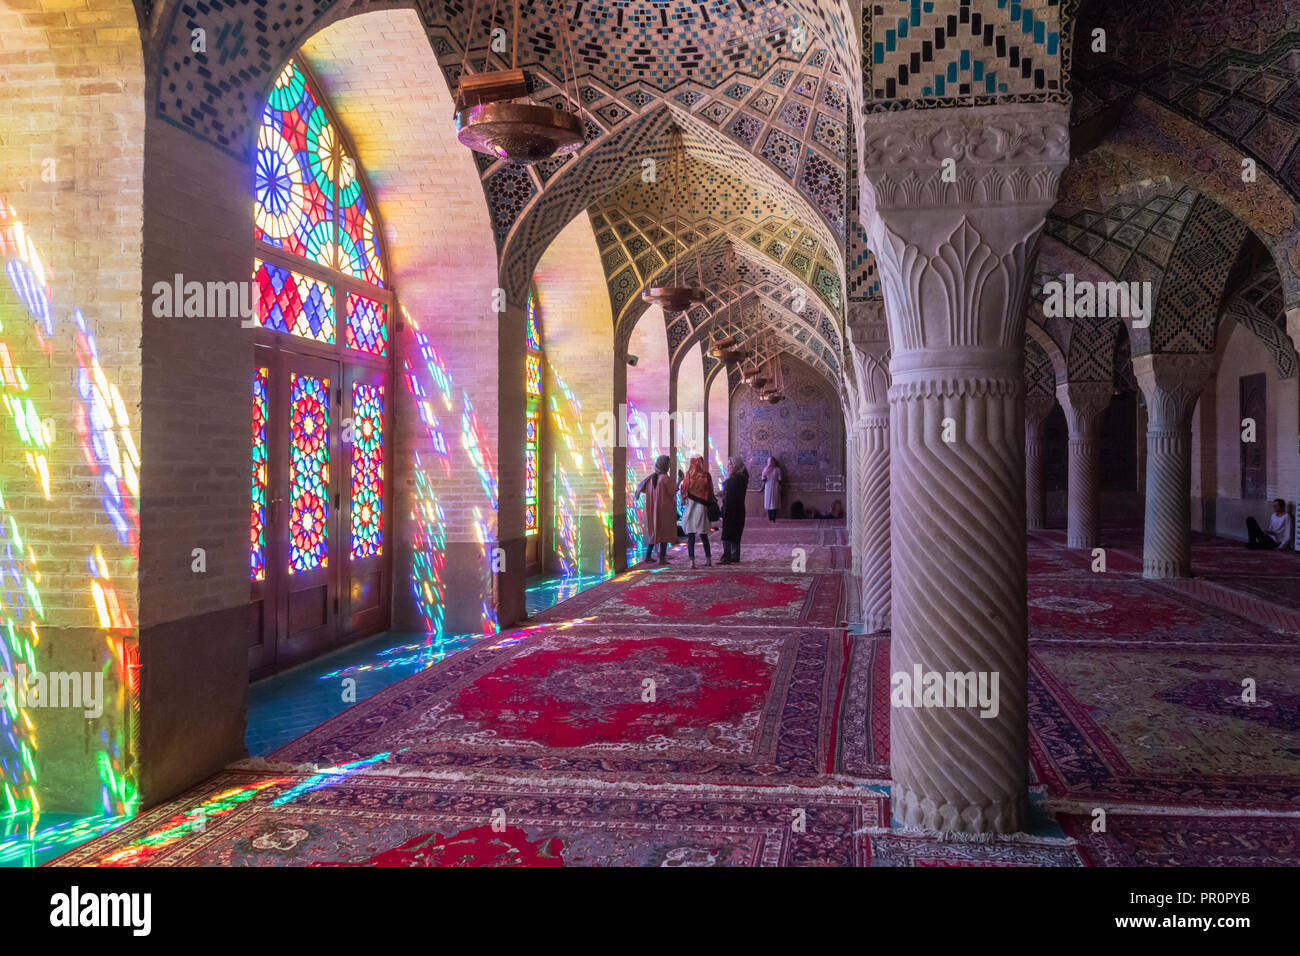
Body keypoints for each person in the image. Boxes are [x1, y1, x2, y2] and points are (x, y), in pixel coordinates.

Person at [635, 454, 678, 564]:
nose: (669, 467)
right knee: (663, 533)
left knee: (655, 533)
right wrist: (680, 480)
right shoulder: (665, 479)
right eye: (668, 464)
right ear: (664, 465)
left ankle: (648, 556)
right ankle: (662, 558)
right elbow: (672, 491)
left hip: (653, 511)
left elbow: (642, 489)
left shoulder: (652, 478)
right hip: (663, 510)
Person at [678, 455, 717, 570]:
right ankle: (708, 559)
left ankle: (692, 562)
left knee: (691, 536)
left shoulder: (688, 475)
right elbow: (710, 492)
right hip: (702, 509)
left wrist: (684, 498)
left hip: (691, 508)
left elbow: (684, 491)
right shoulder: (706, 476)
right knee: (703, 535)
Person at [720, 456, 748, 564]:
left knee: (728, 533)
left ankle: (727, 557)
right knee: (734, 532)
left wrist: (729, 475)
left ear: (736, 465)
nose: (728, 466)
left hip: (733, 509)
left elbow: (726, 486)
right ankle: (734, 556)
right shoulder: (741, 476)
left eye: (730, 464)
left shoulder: (738, 477)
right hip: (736, 509)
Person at [760, 456, 782, 522]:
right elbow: (763, 478)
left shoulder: (778, 469)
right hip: (768, 486)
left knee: (775, 502)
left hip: (775, 486)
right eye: (769, 461)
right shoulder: (765, 469)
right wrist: (767, 470)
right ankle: (769, 518)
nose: (770, 462)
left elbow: (780, 479)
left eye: (772, 461)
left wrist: (780, 486)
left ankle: (774, 518)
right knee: (768, 502)